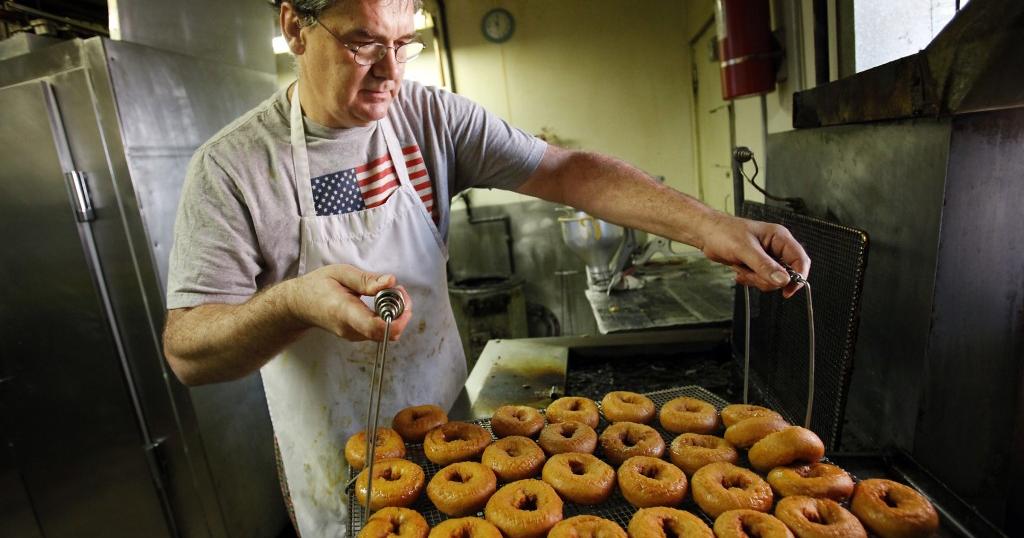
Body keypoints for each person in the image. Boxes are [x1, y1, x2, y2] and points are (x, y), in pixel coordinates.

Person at [162, 0, 810, 534]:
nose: (390, 70)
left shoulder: (430, 117)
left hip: (454, 438)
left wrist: (712, 225)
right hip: (335, 460)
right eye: (363, 43)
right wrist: (292, 304)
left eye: (404, 42)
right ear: (294, 28)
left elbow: (565, 169)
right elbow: (188, 350)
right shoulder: (235, 168)